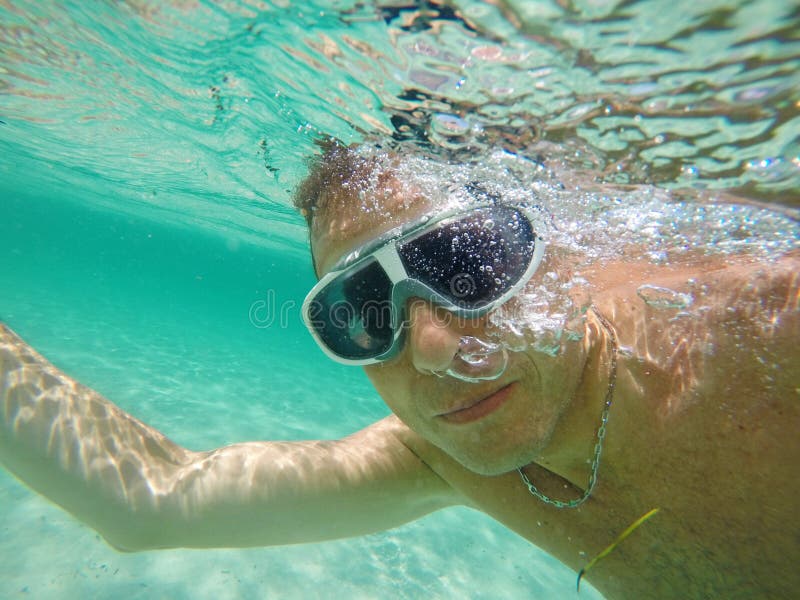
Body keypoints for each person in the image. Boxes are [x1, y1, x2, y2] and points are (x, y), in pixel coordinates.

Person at [1, 142, 798, 600]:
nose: (434, 350)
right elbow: (153, 497)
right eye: (361, 311)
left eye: (468, 265)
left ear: (563, 256)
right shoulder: (444, 457)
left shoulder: (766, 336)